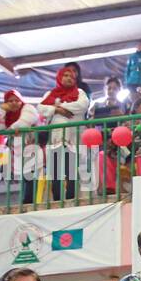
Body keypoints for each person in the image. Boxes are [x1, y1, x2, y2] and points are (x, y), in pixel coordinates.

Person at [36, 65, 91, 201]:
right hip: (55, 138)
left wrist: (59, 107)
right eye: (65, 76)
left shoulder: (79, 92)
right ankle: (57, 201)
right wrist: (56, 110)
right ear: (60, 77)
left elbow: (83, 106)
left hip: (73, 138)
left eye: (72, 77)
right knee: (55, 172)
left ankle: (71, 199)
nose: (69, 78)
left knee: (71, 171)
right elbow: (41, 108)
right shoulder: (51, 93)